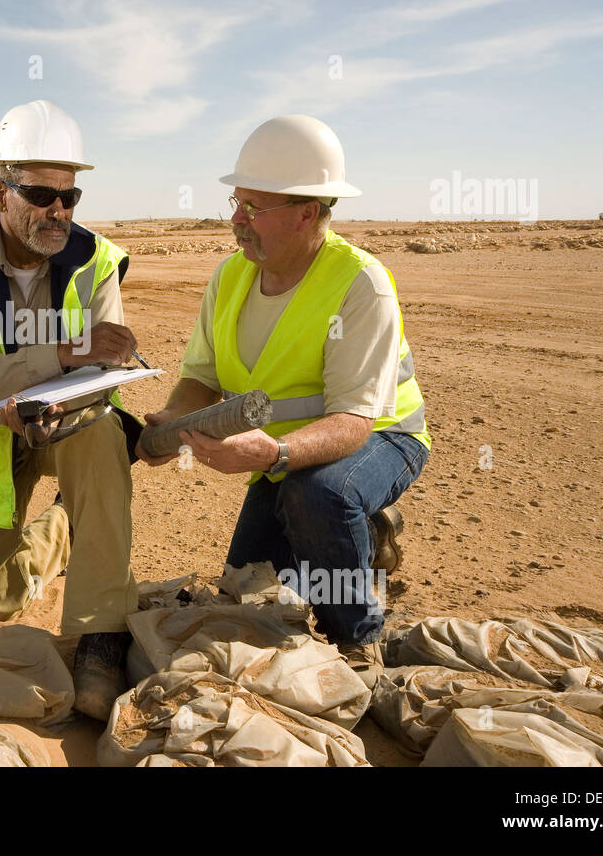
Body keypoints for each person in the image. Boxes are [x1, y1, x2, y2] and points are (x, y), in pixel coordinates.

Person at [137, 115, 430, 687]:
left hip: (380, 437)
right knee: (250, 593)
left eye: (254, 206)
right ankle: (358, 538)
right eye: (236, 201)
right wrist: (173, 422)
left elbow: (350, 423)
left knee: (318, 494)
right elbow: (201, 377)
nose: (235, 220)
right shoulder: (231, 278)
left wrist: (271, 457)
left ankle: (357, 637)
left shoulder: (359, 284)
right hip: (283, 451)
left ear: (306, 211)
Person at [0, 99, 142, 719]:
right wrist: (60, 356)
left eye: (70, 198)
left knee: (103, 437)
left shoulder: (96, 261)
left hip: (68, 428)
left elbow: (105, 370)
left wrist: (92, 367)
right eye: (41, 196)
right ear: (0, 193)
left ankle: (102, 634)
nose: (58, 212)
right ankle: (62, 528)